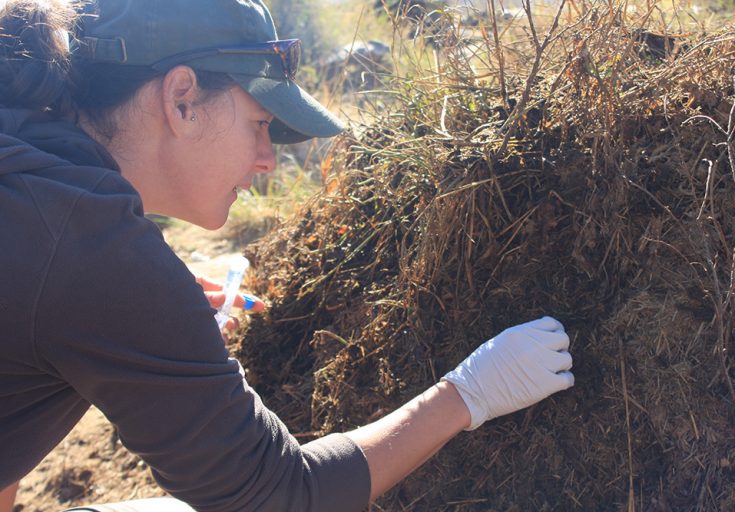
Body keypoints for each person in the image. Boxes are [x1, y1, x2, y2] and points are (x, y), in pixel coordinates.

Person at [0, 1, 576, 511]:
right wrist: (469, 393)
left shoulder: (30, 159)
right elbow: (277, 495)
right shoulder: (91, 250)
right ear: (181, 100)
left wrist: (132, 315)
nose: (267, 159)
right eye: (260, 124)